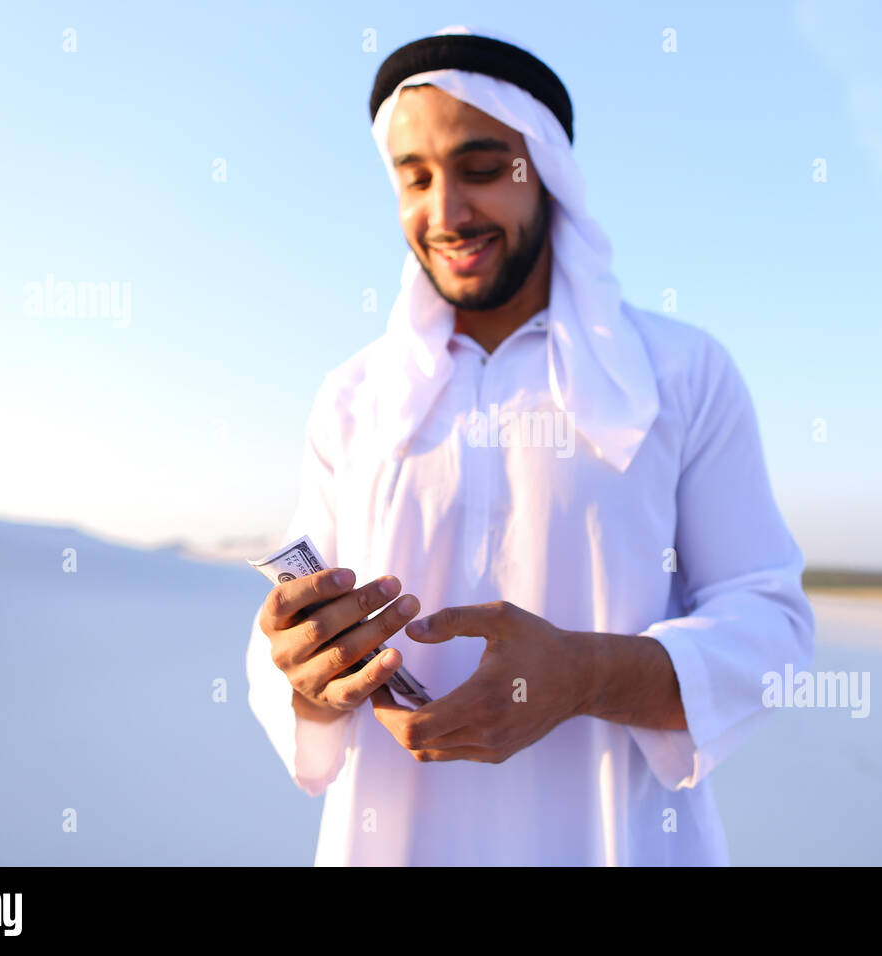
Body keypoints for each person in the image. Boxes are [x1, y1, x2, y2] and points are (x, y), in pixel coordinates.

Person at [245, 24, 815, 866]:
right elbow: (295, 652)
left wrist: (583, 674)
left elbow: (769, 627)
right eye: (416, 179)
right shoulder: (353, 396)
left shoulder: (681, 372)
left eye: (480, 170)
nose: (446, 213)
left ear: (545, 174)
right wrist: (301, 668)